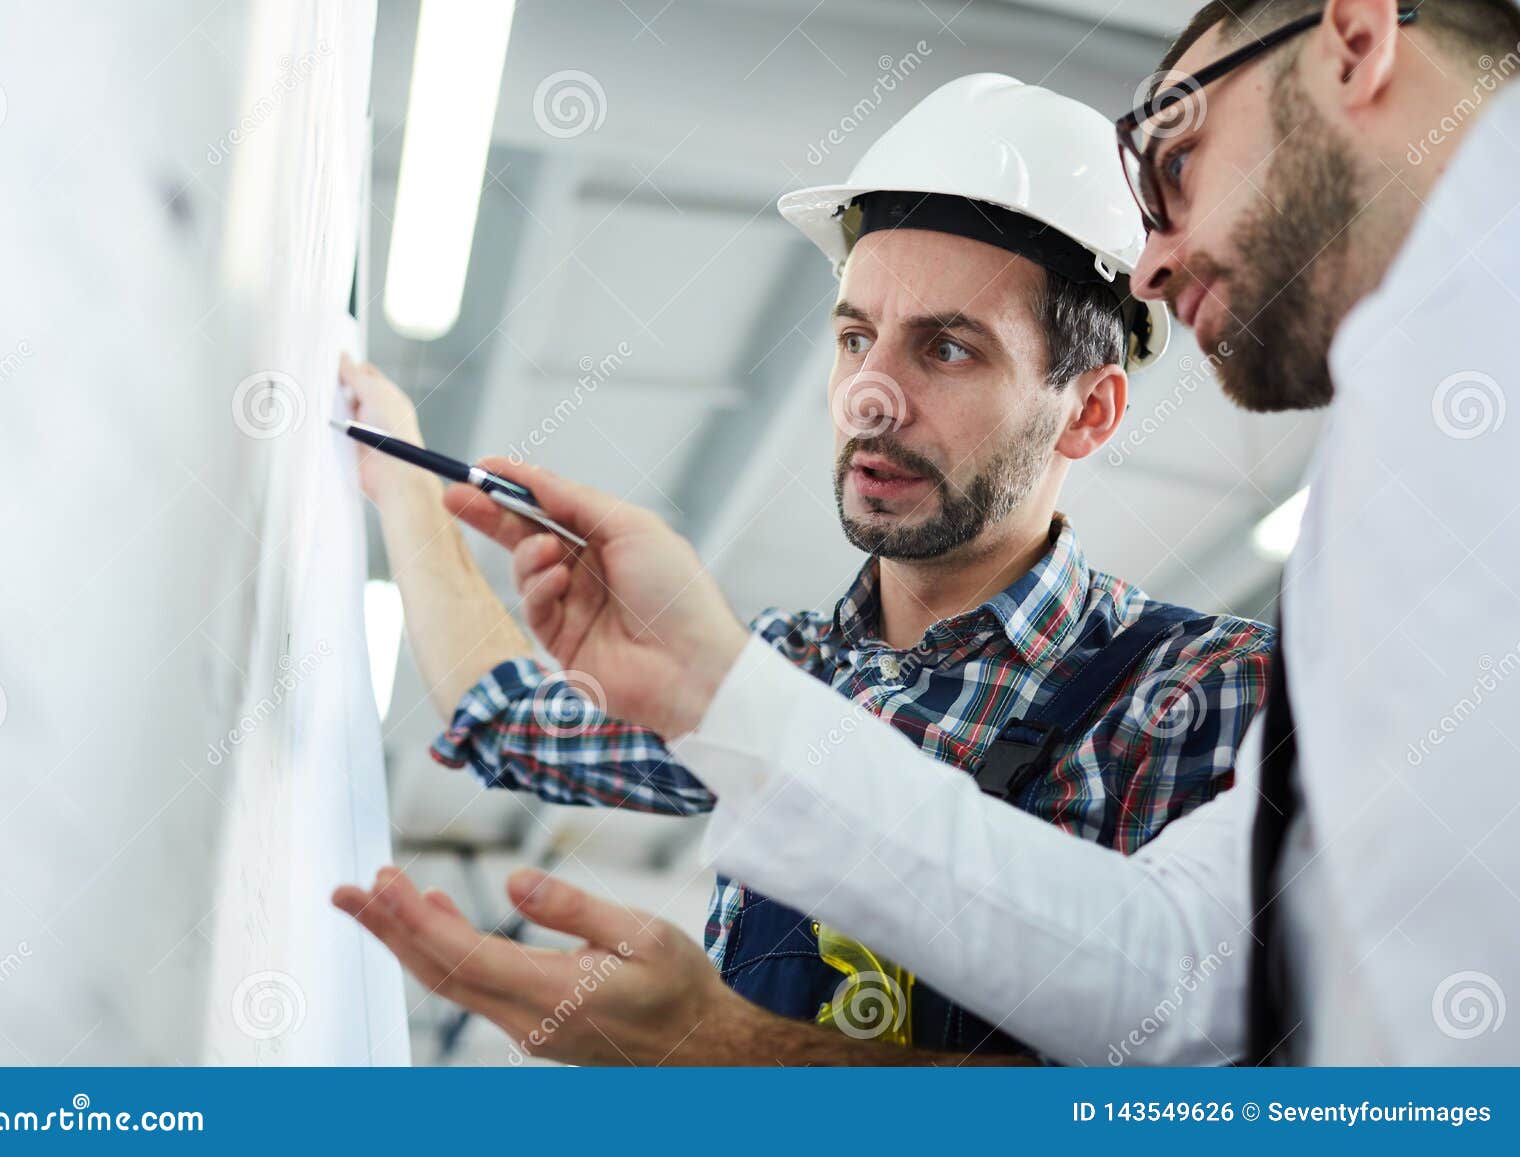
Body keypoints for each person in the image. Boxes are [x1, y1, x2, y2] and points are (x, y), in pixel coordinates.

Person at [339, 0, 1520, 1066]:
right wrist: (401, 477)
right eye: (857, 337)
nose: (869, 396)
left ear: (1091, 409)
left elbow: (1236, 1091)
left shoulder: (1209, 693)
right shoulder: (791, 672)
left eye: (946, 348)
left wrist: (715, 1048)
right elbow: (502, 713)